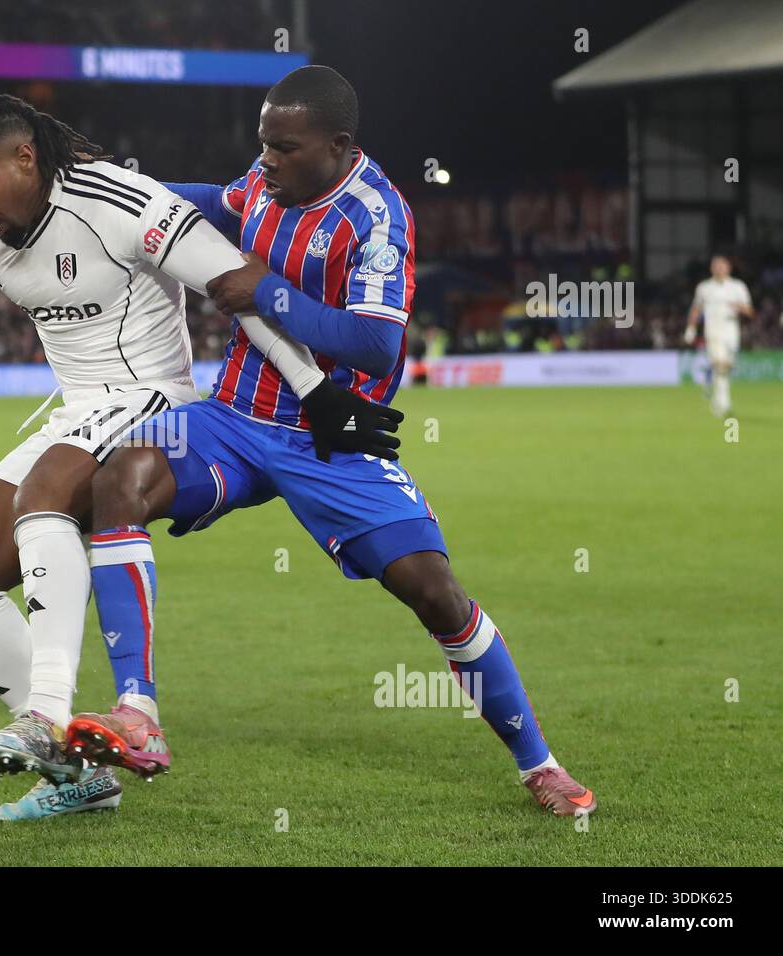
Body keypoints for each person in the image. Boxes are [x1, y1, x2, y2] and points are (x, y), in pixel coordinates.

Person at [0, 93, 399, 821]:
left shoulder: (122, 200)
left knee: (43, 493)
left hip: (155, 401)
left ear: (25, 158)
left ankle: (43, 721)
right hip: (76, 410)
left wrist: (314, 389)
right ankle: (79, 777)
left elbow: (233, 287)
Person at [67, 65, 597, 818]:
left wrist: (269, 292)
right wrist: (124, 185)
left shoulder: (378, 217)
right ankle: (137, 712)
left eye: (284, 148)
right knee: (120, 477)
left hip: (334, 440)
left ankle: (538, 764)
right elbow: (217, 203)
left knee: (433, 591)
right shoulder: (265, 179)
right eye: (263, 145)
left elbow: (377, 345)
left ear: (339, 147)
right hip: (234, 420)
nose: (267, 160)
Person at [684, 255, 752, 418]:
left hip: (732, 332)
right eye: (716, 266)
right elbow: (696, 309)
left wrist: (739, 307)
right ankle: (723, 403)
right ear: (711, 269)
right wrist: (691, 328)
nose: (719, 269)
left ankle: (717, 397)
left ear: (729, 268)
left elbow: (750, 311)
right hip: (713, 331)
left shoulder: (738, 287)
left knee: (726, 367)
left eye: (722, 266)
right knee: (719, 365)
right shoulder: (704, 288)